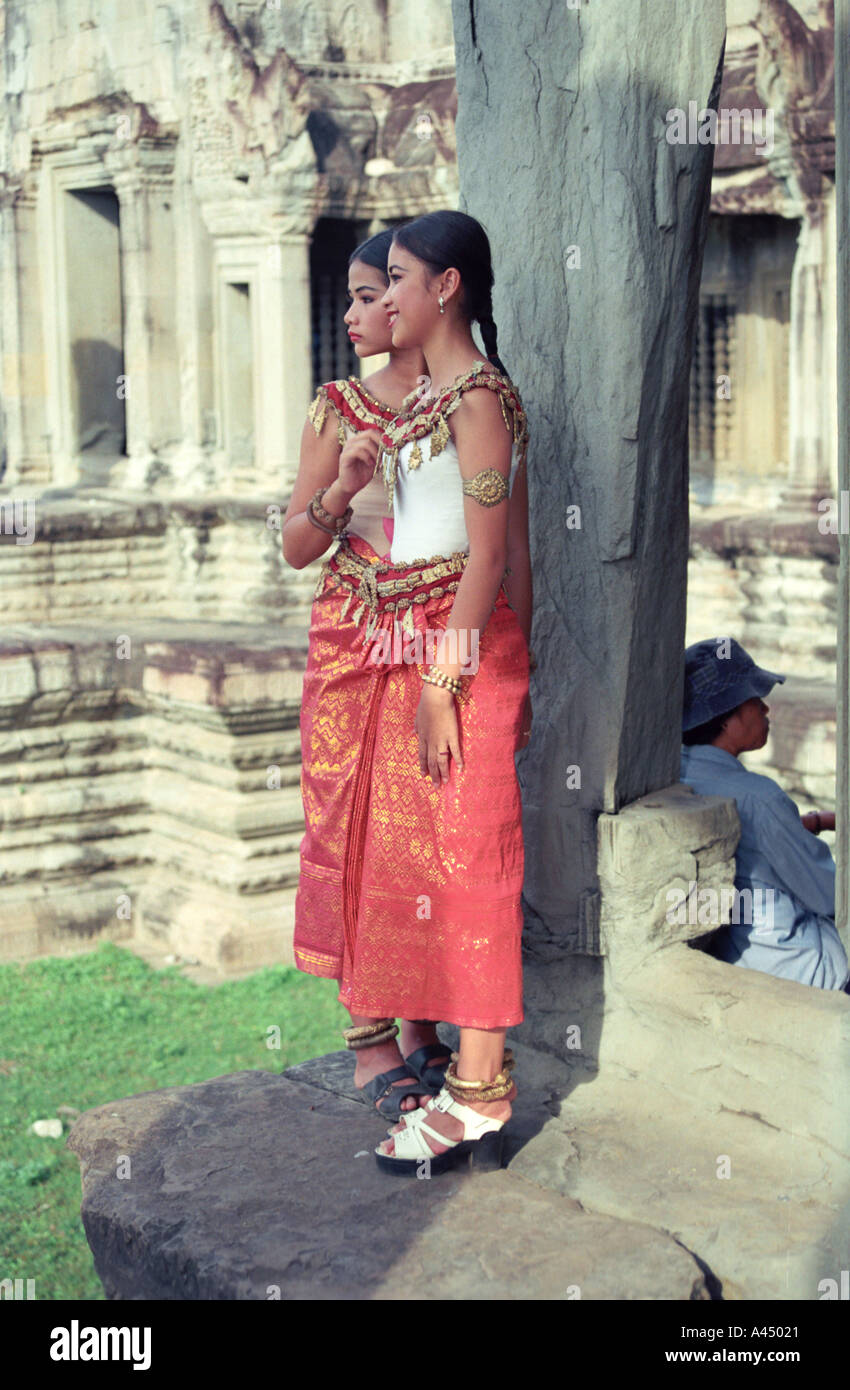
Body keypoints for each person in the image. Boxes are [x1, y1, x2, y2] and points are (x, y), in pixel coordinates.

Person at [337, 208, 533, 1176]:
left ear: (445, 288)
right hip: (434, 654)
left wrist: (451, 683)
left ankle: (478, 1097)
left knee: (477, 862)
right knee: (444, 863)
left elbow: (495, 555)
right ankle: (457, 1071)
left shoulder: (478, 400)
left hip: (462, 658)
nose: (387, 296)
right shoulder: (430, 403)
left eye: (401, 280)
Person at [283, 230, 447, 1120]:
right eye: (349, 297)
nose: (351, 314)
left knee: (423, 828)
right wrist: (342, 490)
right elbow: (297, 548)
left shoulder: (466, 398)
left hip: (435, 643)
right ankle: (369, 1041)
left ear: (417, 294)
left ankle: (420, 1022)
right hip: (352, 639)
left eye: (369, 293)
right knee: (351, 827)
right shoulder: (336, 406)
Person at [679, 637, 849, 992]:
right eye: (755, 701)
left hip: (737, 957)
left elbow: (750, 841)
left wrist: (815, 822)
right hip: (798, 967)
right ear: (727, 720)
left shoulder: (675, 774)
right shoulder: (760, 796)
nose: (766, 711)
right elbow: (830, 895)